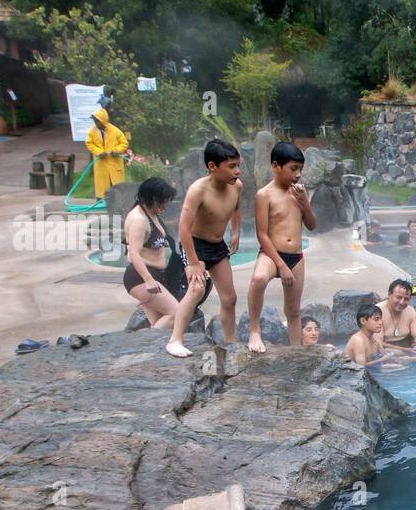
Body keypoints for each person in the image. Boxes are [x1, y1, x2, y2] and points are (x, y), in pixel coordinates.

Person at [166, 139, 243, 358]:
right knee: (196, 290)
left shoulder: (236, 186)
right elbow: (183, 228)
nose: (237, 171)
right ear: (212, 166)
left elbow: (236, 207)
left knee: (230, 298)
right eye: (231, 166)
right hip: (195, 245)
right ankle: (175, 340)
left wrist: (236, 231)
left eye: (238, 165)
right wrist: (193, 263)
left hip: (217, 246)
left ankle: (231, 343)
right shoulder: (198, 190)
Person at [248, 142, 316, 353]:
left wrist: (304, 202)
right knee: (258, 279)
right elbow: (262, 234)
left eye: (300, 170)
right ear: (276, 166)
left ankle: (295, 350)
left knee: (293, 311)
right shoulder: (264, 195)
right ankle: (254, 331)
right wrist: (281, 265)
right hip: (271, 254)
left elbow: (312, 226)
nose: (298, 175)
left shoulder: (299, 193)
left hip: (295, 255)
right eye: (293, 169)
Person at [123, 177, 191, 330]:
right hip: (140, 278)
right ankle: (144, 343)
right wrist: (148, 280)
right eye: (163, 201)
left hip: (154, 275)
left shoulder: (150, 213)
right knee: (177, 314)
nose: (165, 206)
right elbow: (134, 253)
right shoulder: (139, 219)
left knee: (160, 322)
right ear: (153, 198)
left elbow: (151, 241)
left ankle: (153, 349)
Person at [377, 279, 416, 354]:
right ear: (389, 294)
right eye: (398, 297)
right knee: (401, 355)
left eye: (406, 299)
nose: (402, 302)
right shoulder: (378, 312)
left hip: (406, 345)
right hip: (385, 349)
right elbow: (378, 344)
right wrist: (405, 350)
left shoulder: (410, 311)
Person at [84, 108, 128, 197]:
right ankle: (101, 200)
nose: (95, 123)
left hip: (114, 161)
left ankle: (118, 201)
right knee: (102, 183)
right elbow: (89, 143)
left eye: (97, 121)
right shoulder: (92, 131)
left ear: (102, 121)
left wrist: (116, 150)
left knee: (116, 183)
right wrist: (99, 152)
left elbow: (124, 143)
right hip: (101, 161)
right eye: (94, 121)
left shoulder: (115, 131)